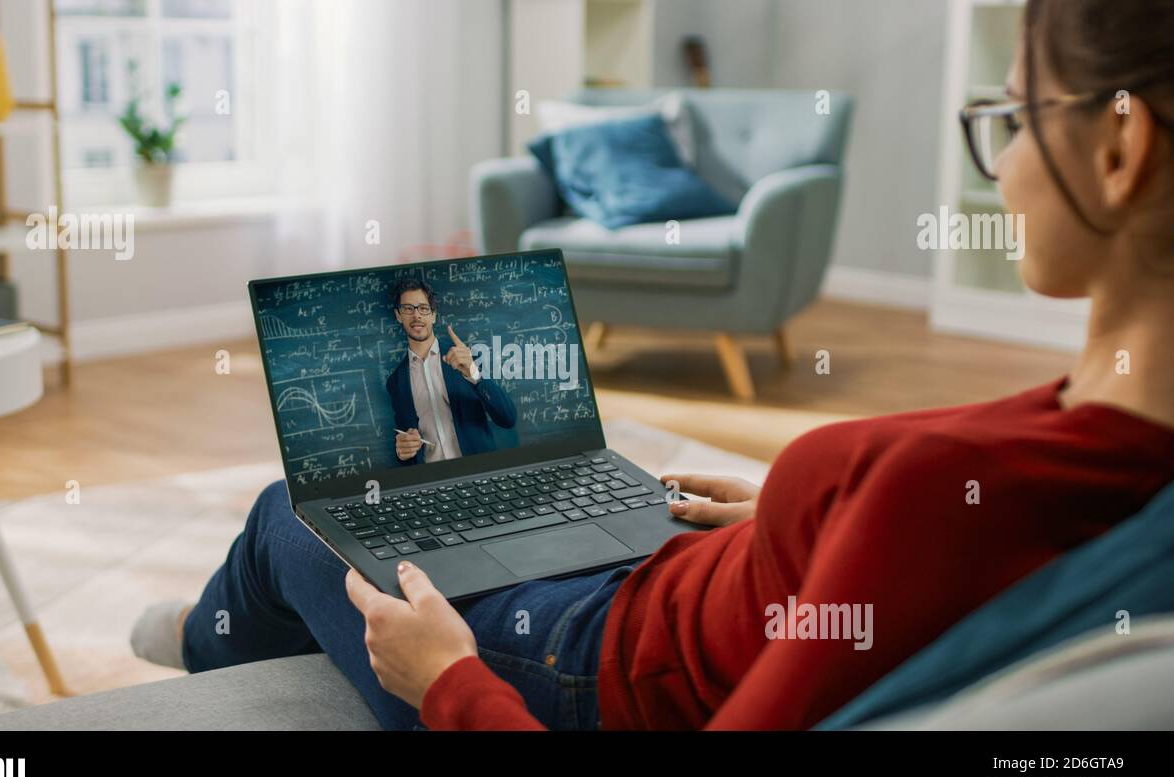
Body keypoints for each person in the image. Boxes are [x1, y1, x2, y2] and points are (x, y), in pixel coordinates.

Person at [132, 0, 1174, 730]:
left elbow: (940, 523)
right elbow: (944, 561)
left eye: (1010, 119)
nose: (1001, 170)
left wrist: (447, 680)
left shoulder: (950, 493)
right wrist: (794, 522)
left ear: (1121, 152)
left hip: (585, 664)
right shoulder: (1116, 451)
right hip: (673, 577)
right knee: (488, 493)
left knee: (291, 509)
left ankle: (203, 648)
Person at [384, 278, 516, 465]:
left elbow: (507, 418)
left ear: (433, 315)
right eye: (408, 309)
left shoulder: (463, 357)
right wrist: (403, 451)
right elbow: (408, 447)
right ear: (398, 315)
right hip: (431, 482)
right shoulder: (396, 382)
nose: (416, 316)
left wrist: (473, 374)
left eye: (423, 308)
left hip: (479, 473)